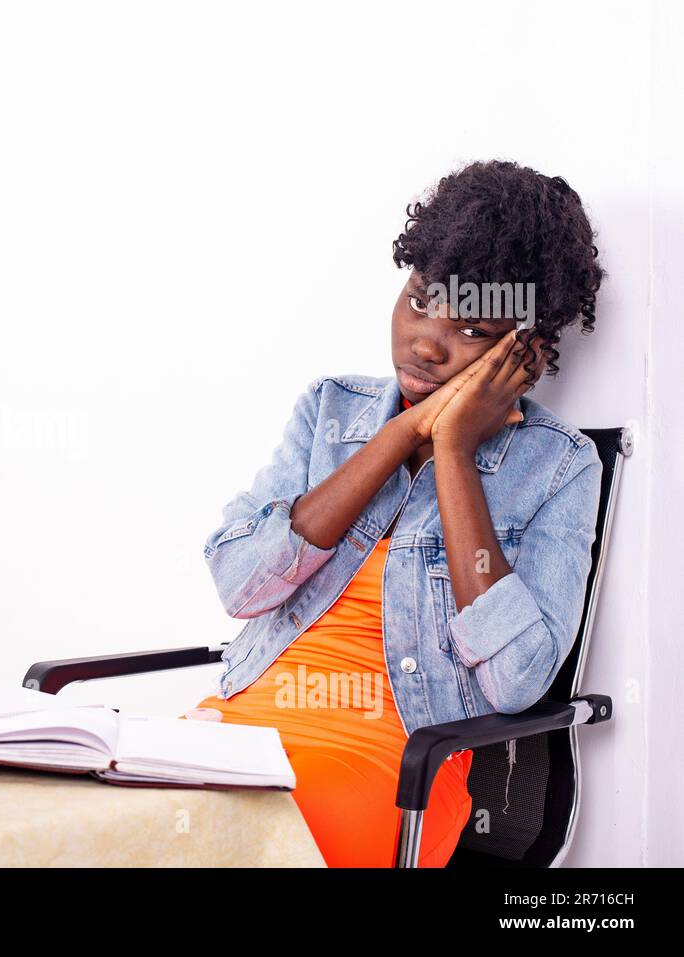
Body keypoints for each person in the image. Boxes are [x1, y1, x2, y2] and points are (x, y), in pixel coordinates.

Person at [188, 160, 606, 867]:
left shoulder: (560, 467)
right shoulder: (330, 410)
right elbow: (238, 582)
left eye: (471, 327)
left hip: (399, 765)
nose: (427, 341)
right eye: (420, 300)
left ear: (525, 349)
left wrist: (452, 449)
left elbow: (517, 681)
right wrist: (397, 436)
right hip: (237, 733)